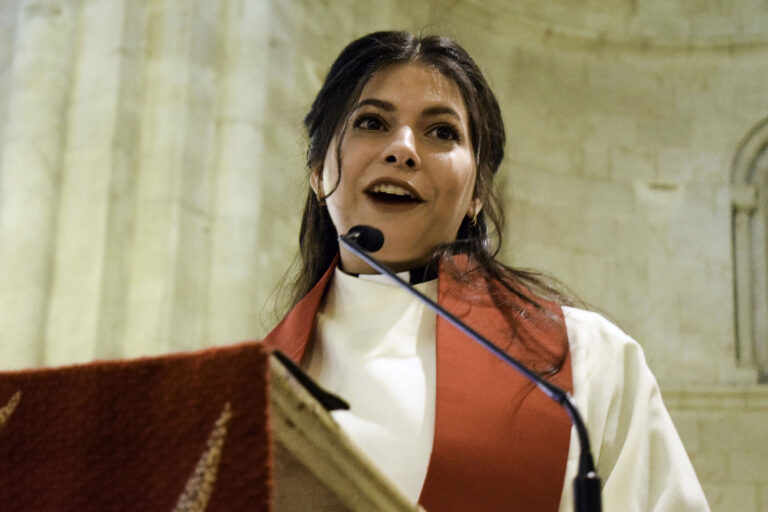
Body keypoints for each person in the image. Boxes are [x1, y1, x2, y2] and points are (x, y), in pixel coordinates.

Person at [262, 31, 710, 511]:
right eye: (371, 122)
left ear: (477, 193)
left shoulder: (581, 361)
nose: (402, 149)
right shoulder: (256, 386)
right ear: (316, 170)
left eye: (441, 132)